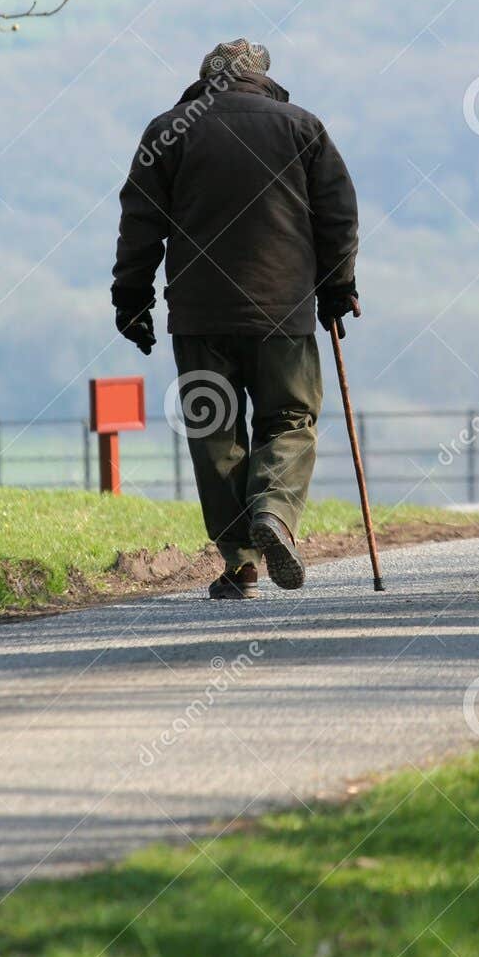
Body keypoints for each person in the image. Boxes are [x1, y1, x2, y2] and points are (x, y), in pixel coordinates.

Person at [111, 39, 359, 599]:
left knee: (214, 428)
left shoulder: (167, 132)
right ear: (262, 79)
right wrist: (338, 288)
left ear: (205, 79)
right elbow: (338, 215)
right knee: (290, 418)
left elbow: (139, 222)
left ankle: (241, 563)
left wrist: (131, 299)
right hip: (283, 311)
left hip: (200, 314)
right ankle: (273, 511)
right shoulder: (302, 127)